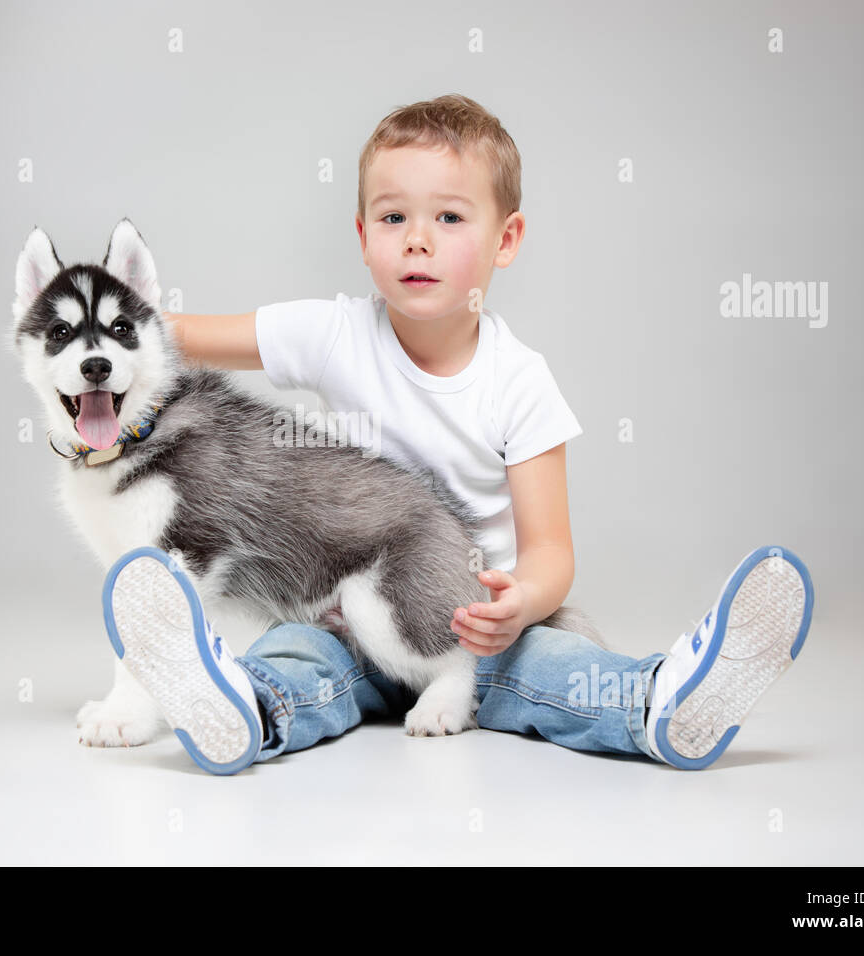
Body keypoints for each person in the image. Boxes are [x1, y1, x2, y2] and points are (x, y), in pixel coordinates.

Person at [101, 94, 813, 775]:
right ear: (361, 237)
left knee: (555, 668)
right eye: (391, 217)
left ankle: (664, 700)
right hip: (349, 618)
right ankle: (245, 712)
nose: (417, 238)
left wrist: (520, 606)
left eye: (448, 217)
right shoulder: (332, 333)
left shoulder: (519, 381)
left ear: (506, 240)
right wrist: (92, 348)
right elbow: (172, 337)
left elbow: (550, 551)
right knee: (296, 655)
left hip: (473, 636)